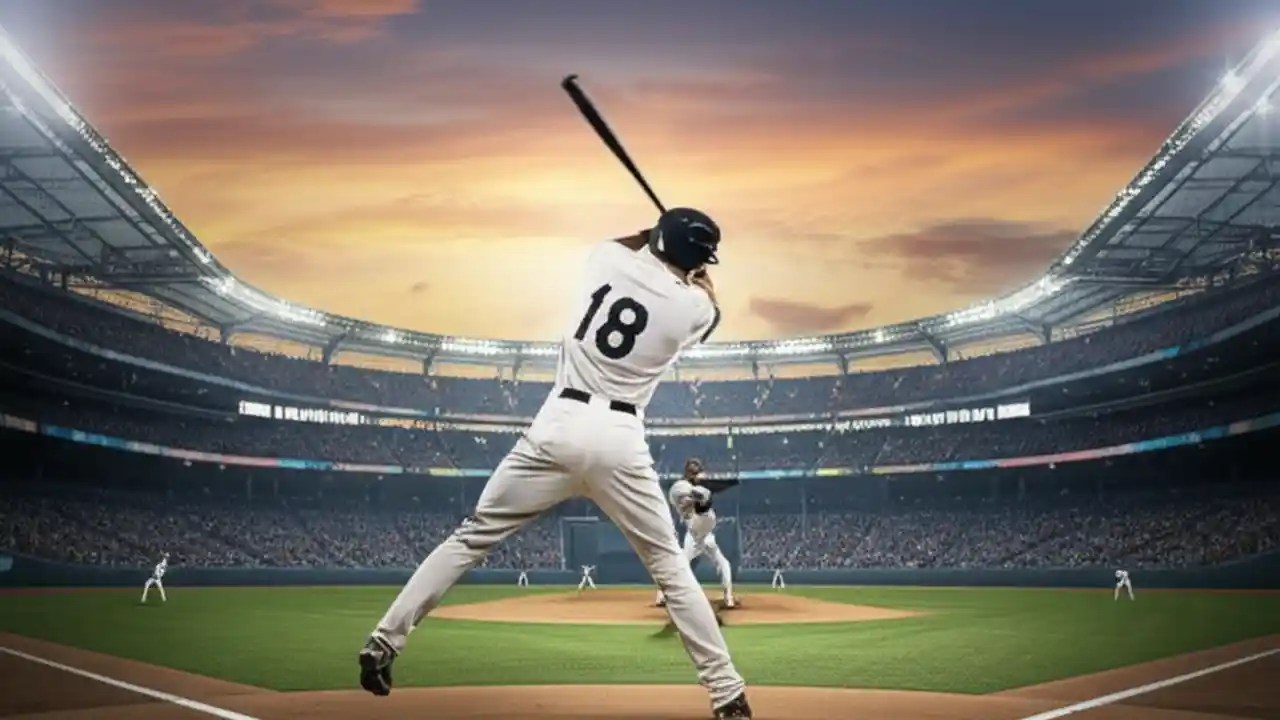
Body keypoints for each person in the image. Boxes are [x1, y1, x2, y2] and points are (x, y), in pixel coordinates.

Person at [357, 208, 750, 719]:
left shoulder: (605, 258)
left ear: (654, 238)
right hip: (620, 439)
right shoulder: (693, 307)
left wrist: (653, 229)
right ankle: (728, 697)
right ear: (698, 261)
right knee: (672, 571)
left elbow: (624, 242)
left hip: (557, 422)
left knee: (471, 537)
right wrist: (695, 269)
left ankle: (384, 641)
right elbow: (711, 305)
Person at [655, 458, 736, 609]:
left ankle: (728, 597)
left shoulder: (691, 487)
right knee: (679, 565)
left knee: (724, 564)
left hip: (705, 535)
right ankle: (661, 594)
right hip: (693, 533)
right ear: (689, 473)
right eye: (695, 472)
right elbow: (701, 494)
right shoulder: (681, 487)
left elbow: (703, 494)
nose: (698, 475)